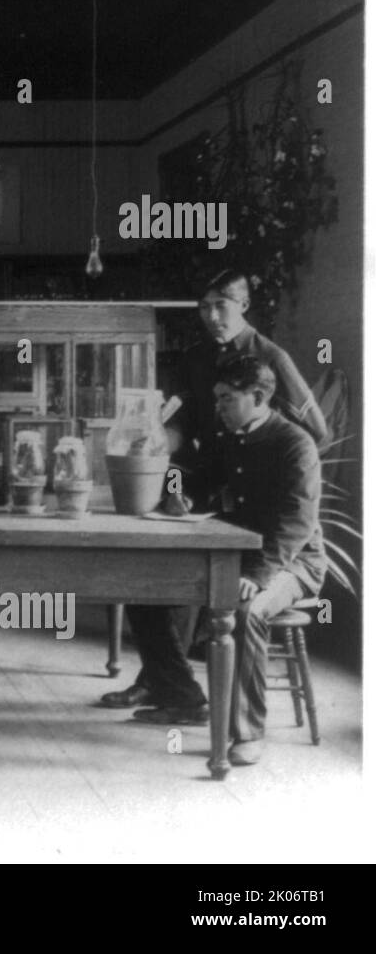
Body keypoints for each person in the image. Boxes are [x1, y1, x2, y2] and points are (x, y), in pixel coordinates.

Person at [102, 269, 328, 710]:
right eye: (203, 307)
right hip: (213, 485)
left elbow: (314, 432)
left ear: (243, 305)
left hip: (267, 512)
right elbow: (184, 421)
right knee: (156, 578)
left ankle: (174, 688)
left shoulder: (271, 358)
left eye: (220, 305)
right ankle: (167, 683)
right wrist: (155, 442)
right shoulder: (198, 356)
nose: (211, 316)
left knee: (210, 592)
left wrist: (262, 454)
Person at [125, 357, 324, 765]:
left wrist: (258, 574)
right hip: (235, 553)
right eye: (217, 399)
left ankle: (247, 733)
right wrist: (184, 497)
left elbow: (297, 523)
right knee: (143, 591)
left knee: (245, 611)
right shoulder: (227, 436)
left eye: (227, 399)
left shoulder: (295, 443)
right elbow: (202, 481)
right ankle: (182, 698)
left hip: (292, 562)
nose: (218, 408)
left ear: (258, 397)